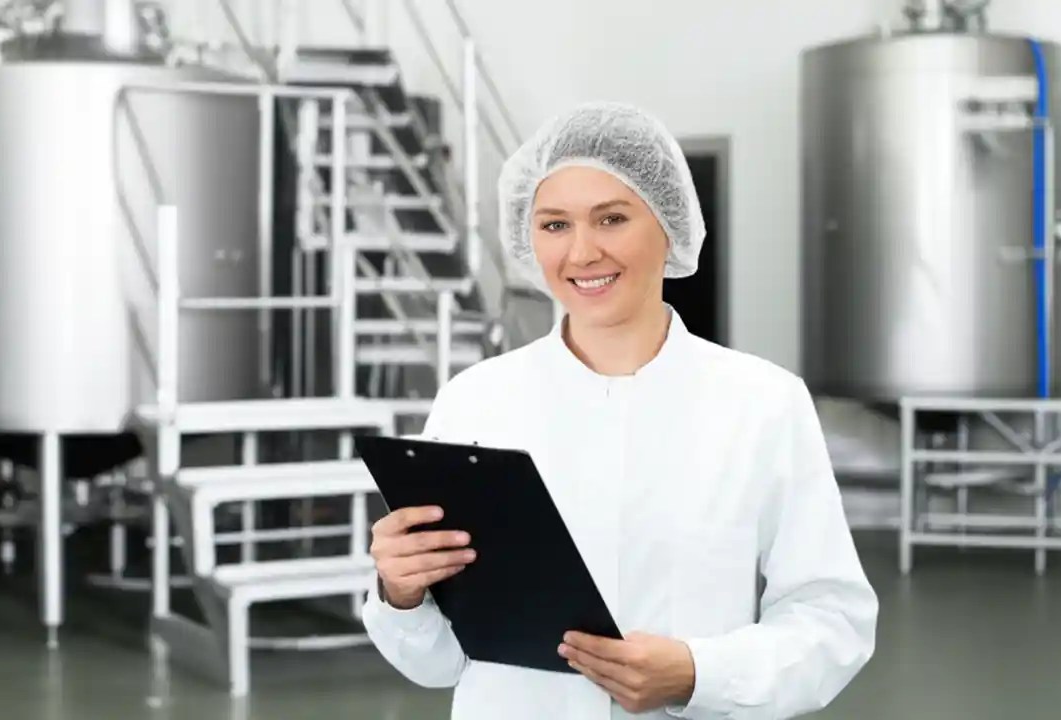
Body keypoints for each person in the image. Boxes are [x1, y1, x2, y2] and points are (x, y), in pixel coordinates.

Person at [361, 101, 877, 719]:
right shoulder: (476, 400)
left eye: (611, 218)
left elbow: (831, 620)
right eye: (555, 224)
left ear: (668, 224)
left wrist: (698, 674)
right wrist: (401, 592)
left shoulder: (762, 403)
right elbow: (437, 662)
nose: (582, 253)